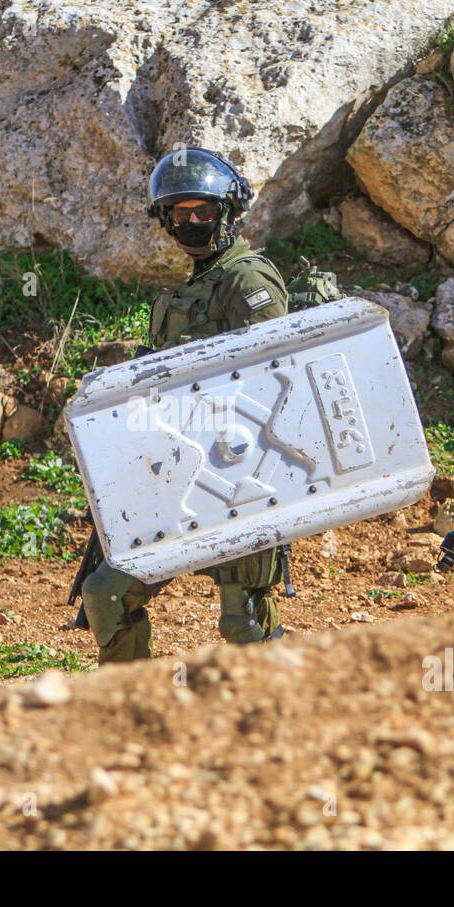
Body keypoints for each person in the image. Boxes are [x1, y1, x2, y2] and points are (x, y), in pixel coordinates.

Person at [81, 148, 290, 663]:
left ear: (228, 210)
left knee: (242, 624)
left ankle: (283, 724)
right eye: (181, 214)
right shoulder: (189, 290)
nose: (193, 223)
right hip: (175, 476)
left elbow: (279, 383)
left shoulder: (247, 282)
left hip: (239, 478)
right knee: (107, 592)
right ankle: (135, 718)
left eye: (203, 210)